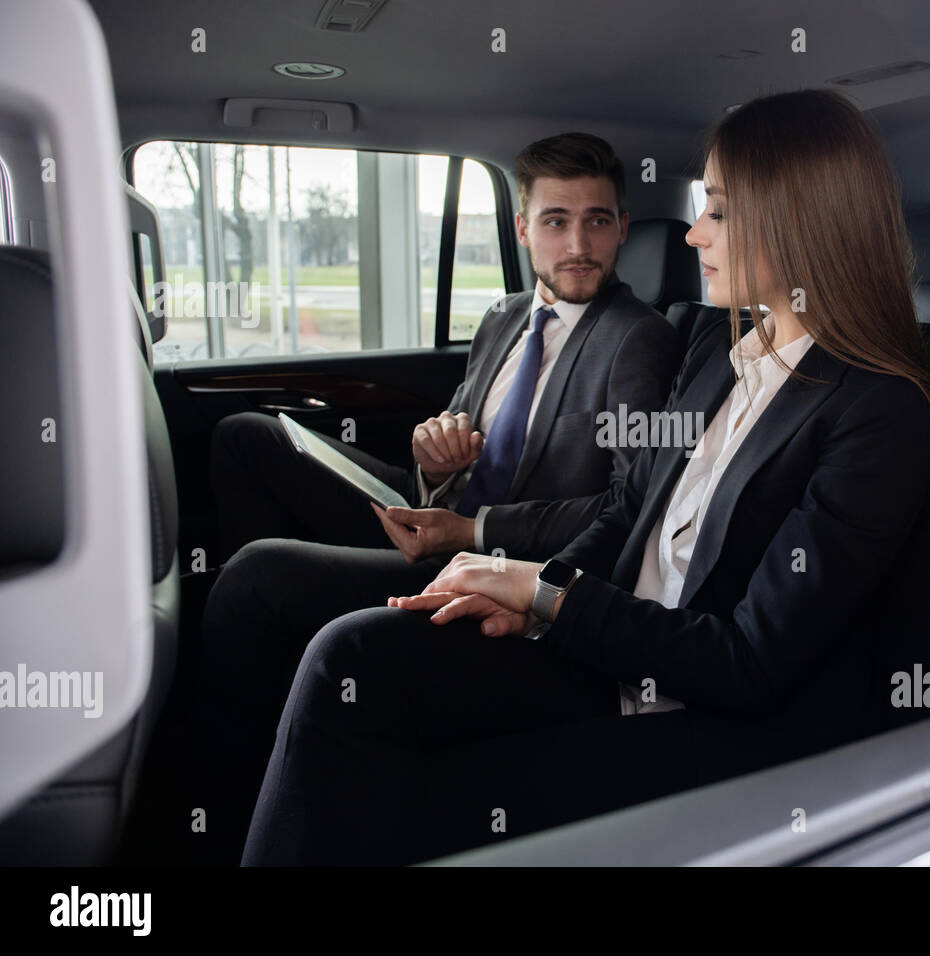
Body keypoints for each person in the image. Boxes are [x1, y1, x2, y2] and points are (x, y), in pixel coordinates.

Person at [242, 89, 930, 866]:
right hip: (610, 648)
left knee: (396, 743)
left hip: (705, 710)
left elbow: (749, 662)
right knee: (353, 656)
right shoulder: (719, 350)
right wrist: (537, 589)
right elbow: (628, 508)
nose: (692, 232)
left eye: (718, 209)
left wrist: (547, 598)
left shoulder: (882, 412)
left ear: (798, 218)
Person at [192, 132, 680, 862]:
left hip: (493, 556)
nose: (578, 243)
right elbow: (450, 433)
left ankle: (223, 804)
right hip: (435, 508)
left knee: (258, 577)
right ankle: (269, 688)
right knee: (247, 436)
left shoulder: (635, 337)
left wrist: (469, 528)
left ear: (622, 227)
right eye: (555, 220)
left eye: (598, 220)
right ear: (522, 229)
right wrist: (430, 460)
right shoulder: (504, 317)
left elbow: (625, 504)